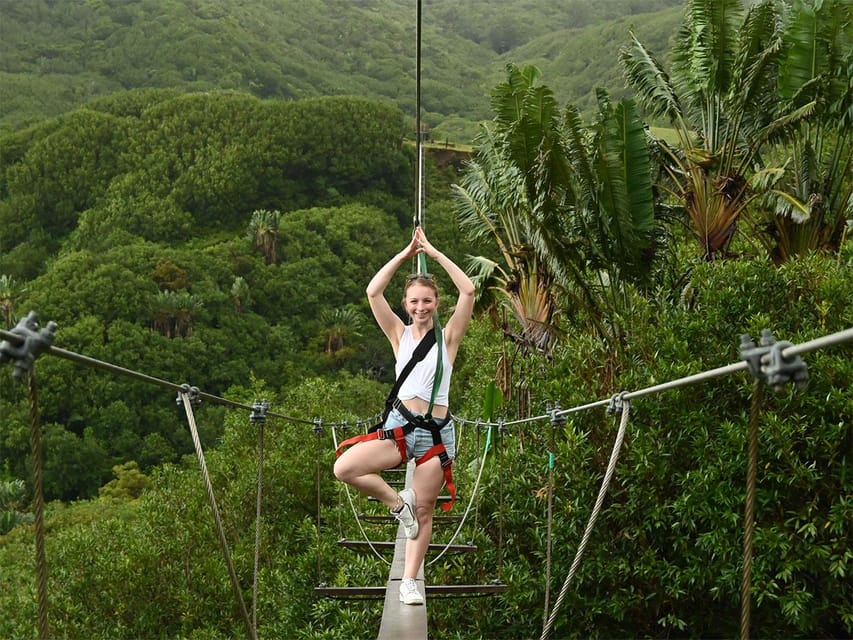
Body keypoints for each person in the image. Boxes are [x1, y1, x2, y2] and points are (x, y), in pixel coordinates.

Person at [333, 226, 475, 605]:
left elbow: (469, 291)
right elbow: (373, 291)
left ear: (436, 302)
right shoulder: (399, 333)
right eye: (413, 301)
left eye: (427, 300)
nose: (420, 307)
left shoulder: (448, 338)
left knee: (426, 508)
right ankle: (398, 504)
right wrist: (405, 253)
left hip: (436, 435)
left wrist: (434, 251)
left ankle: (409, 580)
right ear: (406, 303)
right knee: (345, 469)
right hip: (398, 427)